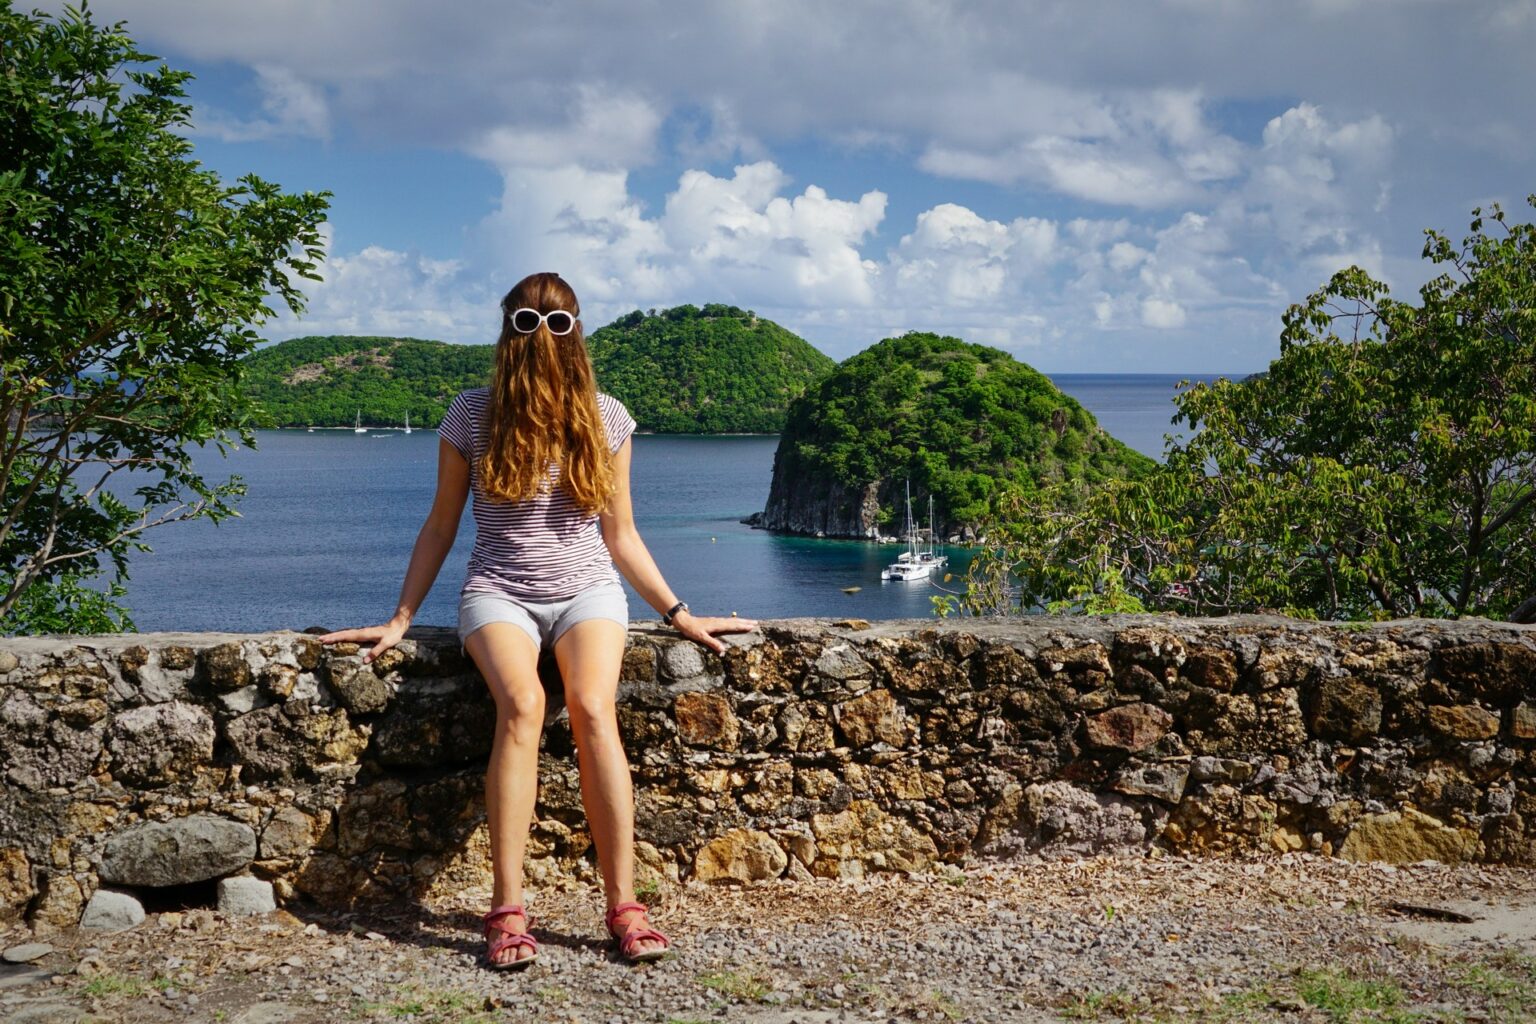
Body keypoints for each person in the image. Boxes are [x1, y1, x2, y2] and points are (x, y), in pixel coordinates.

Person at [320, 272, 756, 968]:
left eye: (557, 323)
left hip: (587, 588)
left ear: (576, 332)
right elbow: (440, 525)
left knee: (590, 707)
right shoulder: (471, 414)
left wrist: (678, 612)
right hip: (499, 591)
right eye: (527, 321)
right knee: (523, 705)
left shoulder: (605, 416)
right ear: (507, 331)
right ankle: (507, 908)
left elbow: (622, 536)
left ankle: (624, 905)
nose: (542, 335)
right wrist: (401, 617)